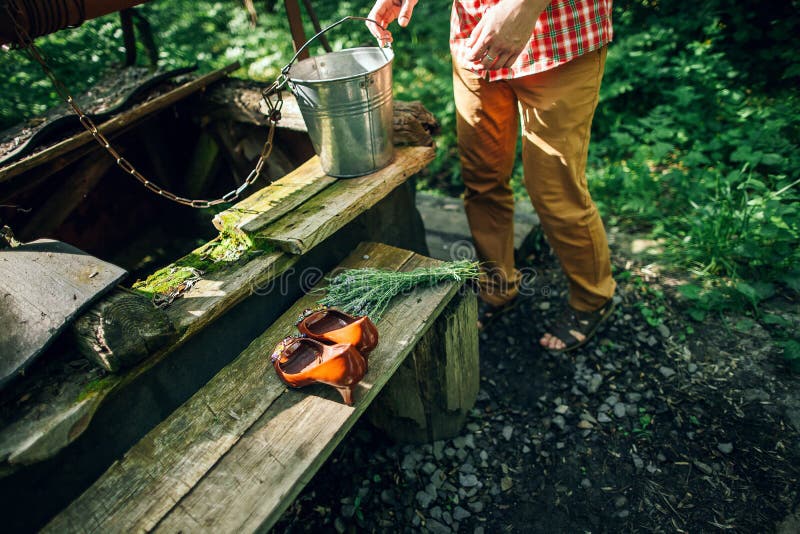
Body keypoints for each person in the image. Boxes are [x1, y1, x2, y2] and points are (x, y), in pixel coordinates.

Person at [367, 0, 616, 353]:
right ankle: (498, 288)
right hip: (475, 38)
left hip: (558, 37)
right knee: (482, 180)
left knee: (554, 191)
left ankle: (594, 298)